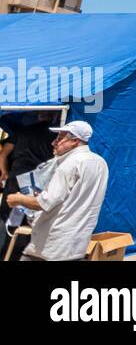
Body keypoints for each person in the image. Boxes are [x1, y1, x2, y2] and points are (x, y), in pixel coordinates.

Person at [6, 121, 108, 261]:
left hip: (52, 246)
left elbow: (44, 203)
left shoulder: (68, 165)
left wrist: (18, 199)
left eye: (60, 138)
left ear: (75, 141)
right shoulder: (100, 163)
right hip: (77, 244)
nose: (54, 142)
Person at [0, 110, 59, 260]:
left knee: (8, 220)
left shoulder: (21, 131)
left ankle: (6, 253)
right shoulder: (56, 137)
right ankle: (19, 253)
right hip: (36, 183)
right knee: (29, 221)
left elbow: (3, 154)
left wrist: (5, 171)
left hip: (15, 181)